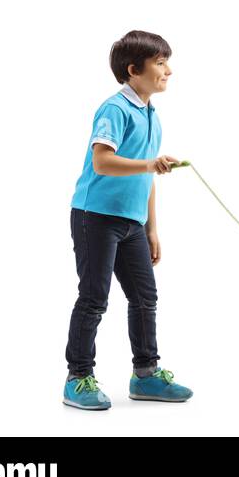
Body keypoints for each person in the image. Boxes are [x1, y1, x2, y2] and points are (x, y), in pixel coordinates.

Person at [63, 30, 193, 409]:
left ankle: (146, 375)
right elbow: (102, 160)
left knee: (145, 297)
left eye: (167, 61)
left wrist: (151, 228)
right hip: (96, 217)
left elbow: (146, 176)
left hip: (131, 222)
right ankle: (78, 377)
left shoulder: (152, 113)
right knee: (94, 298)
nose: (168, 70)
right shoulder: (115, 109)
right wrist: (149, 163)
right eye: (160, 62)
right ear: (133, 70)